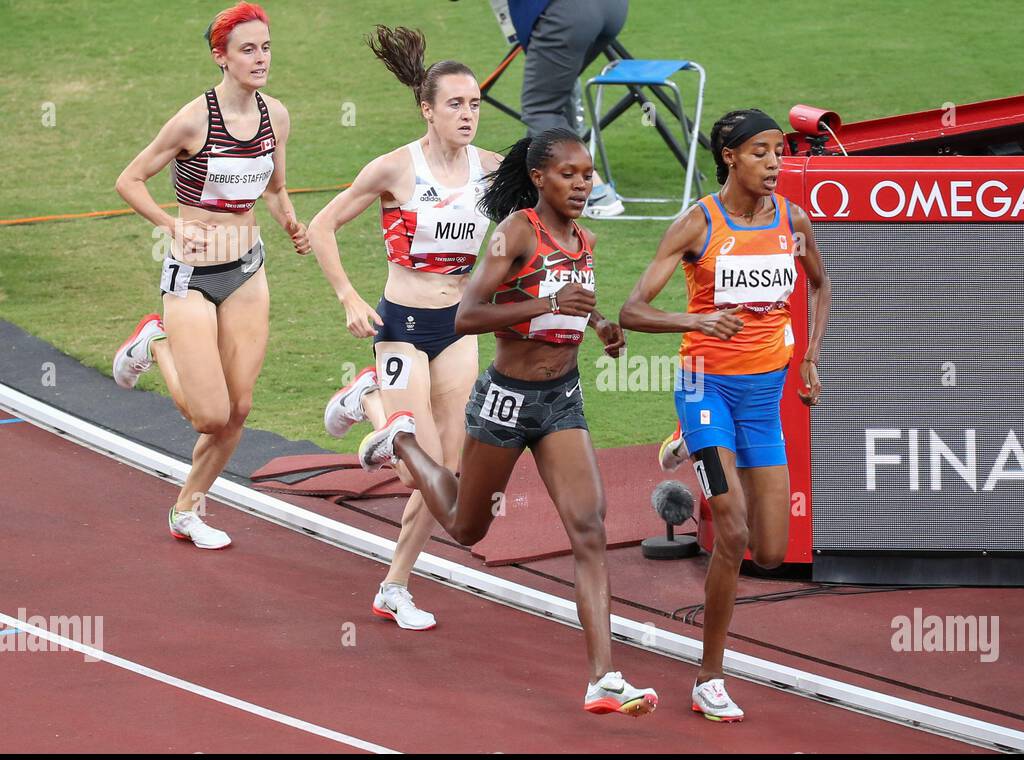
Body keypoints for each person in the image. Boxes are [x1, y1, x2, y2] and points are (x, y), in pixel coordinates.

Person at [357, 127, 657, 716]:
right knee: (469, 529)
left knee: (590, 529)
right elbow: (468, 314)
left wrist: (599, 326)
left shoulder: (585, 238)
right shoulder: (515, 232)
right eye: (567, 174)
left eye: (587, 174)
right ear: (540, 177)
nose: (580, 183)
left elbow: (576, 295)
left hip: (561, 401)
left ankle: (602, 678)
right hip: (506, 400)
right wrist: (546, 306)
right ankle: (403, 440)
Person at [619, 109, 832, 722]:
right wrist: (696, 319)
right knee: (732, 533)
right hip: (704, 384)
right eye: (762, 152)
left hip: (765, 397)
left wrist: (811, 357)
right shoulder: (696, 224)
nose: (775, 164)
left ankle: (688, 443)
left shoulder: (792, 219)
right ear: (730, 157)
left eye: (781, 153)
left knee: (770, 552)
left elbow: (820, 285)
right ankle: (709, 676)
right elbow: (633, 309)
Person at [308, 26, 500, 631]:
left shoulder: (493, 171)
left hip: (460, 326)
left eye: (474, 104)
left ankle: (394, 586)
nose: (468, 115)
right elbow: (321, 226)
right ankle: (369, 397)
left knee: (449, 471)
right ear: (428, 109)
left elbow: (524, 238)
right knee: (415, 465)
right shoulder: (395, 168)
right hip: (401, 324)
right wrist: (347, 296)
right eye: (455, 104)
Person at [112, 2, 310, 550]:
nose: (261, 58)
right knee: (209, 415)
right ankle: (156, 343)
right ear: (221, 57)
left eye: (266, 47)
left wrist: (292, 223)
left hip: (247, 268)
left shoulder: (277, 116)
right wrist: (170, 224)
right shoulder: (193, 119)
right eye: (248, 49)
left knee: (239, 410)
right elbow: (129, 179)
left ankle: (187, 509)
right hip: (192, 274)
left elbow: (273, 188)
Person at [507, 0, 629, 217]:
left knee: (541, 108)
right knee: (558, 87)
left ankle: (597, 191)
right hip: (613, 8)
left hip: (568, 12)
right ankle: (524, 186)